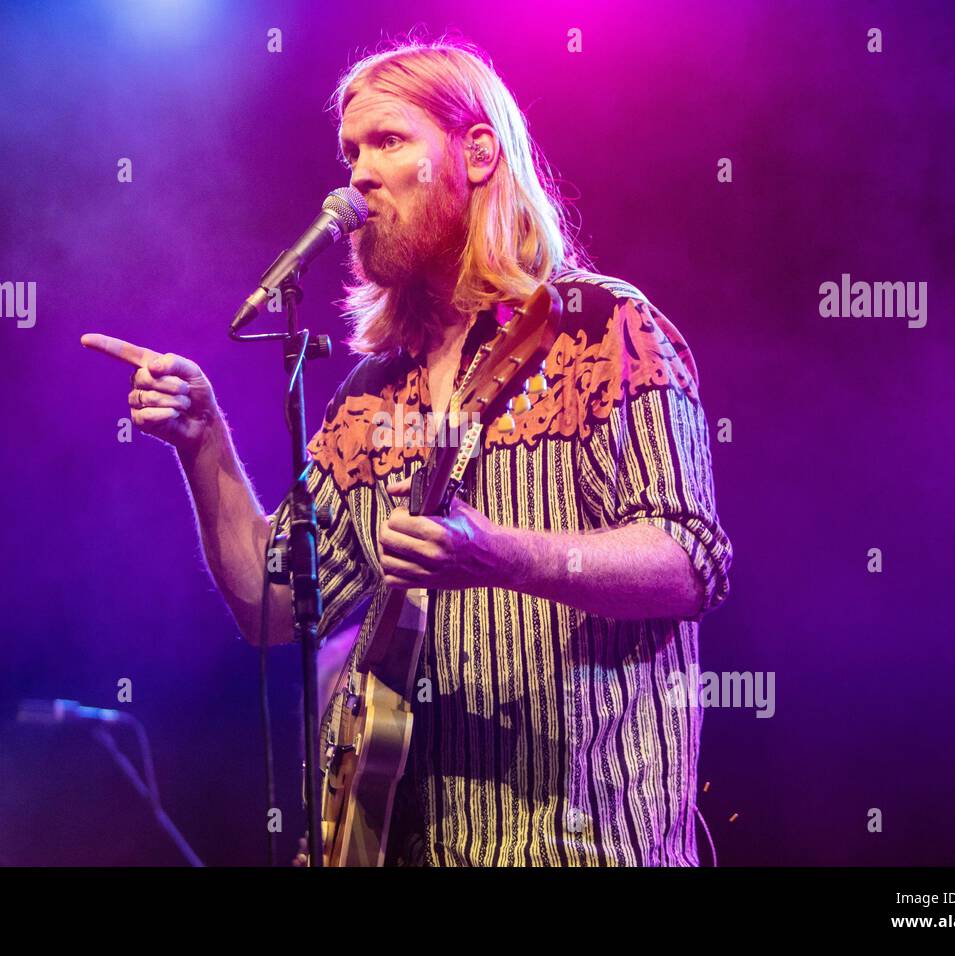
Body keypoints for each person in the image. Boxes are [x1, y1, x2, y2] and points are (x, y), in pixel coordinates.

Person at [82, 38, 733, 866]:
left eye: (388, 142)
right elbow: (272, 605)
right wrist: (202, 438)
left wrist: (503, 556)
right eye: (350, 151)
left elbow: (688, 562)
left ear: (477, 154)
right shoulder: (371, 393)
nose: (356, 174)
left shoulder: (604, 329)